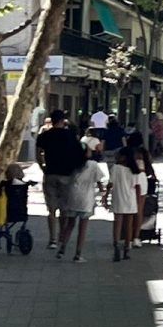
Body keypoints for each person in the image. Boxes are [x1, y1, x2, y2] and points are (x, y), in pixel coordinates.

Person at [34, 109, 81, 251]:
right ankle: (62, 236)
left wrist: (43, 167)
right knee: (64, 208)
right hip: (66, 174)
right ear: (63, 121)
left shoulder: (44, 136)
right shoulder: (70, 135)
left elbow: (38, 154)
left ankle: (52, 239)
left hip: (50, 173)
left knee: (51, 209)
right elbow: (78, 154)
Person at [56, 138, 106, 262]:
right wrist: (103, 194)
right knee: (82, 228)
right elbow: (99, 182)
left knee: (70, 224)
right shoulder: (93, 165)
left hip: (72, 197)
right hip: (86, 200)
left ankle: (62, 248)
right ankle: (78, 254)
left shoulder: (71, 164)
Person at [105, 136, 144, 261]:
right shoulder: (135, 171)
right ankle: (127, 248)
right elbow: (138, 188)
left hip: (118, 198)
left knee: (117, 223)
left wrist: (106, 196)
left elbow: (110, 184)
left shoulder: (115, 168)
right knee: (128, 225)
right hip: (131, 199)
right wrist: (137, 202)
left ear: (123, 157)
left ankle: (116, 245)